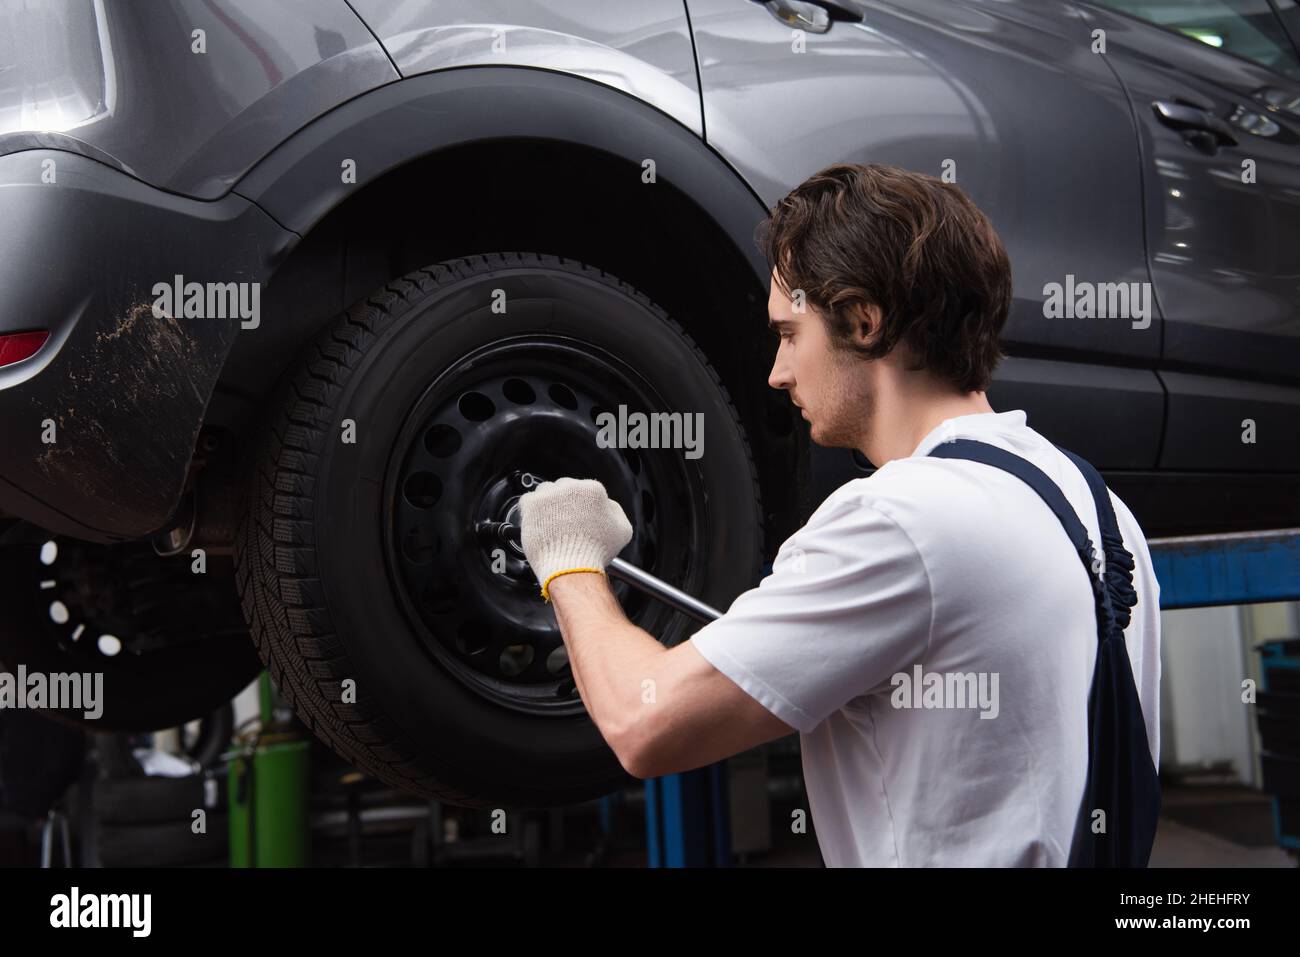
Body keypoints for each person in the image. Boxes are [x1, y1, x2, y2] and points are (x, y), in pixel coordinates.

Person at [518, 163, 1161, 867]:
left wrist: (570, 557)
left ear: (863, 320)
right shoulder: (1102, 511)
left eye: (790, 333)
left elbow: (646, 722)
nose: (776, 372)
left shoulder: (900, 518)